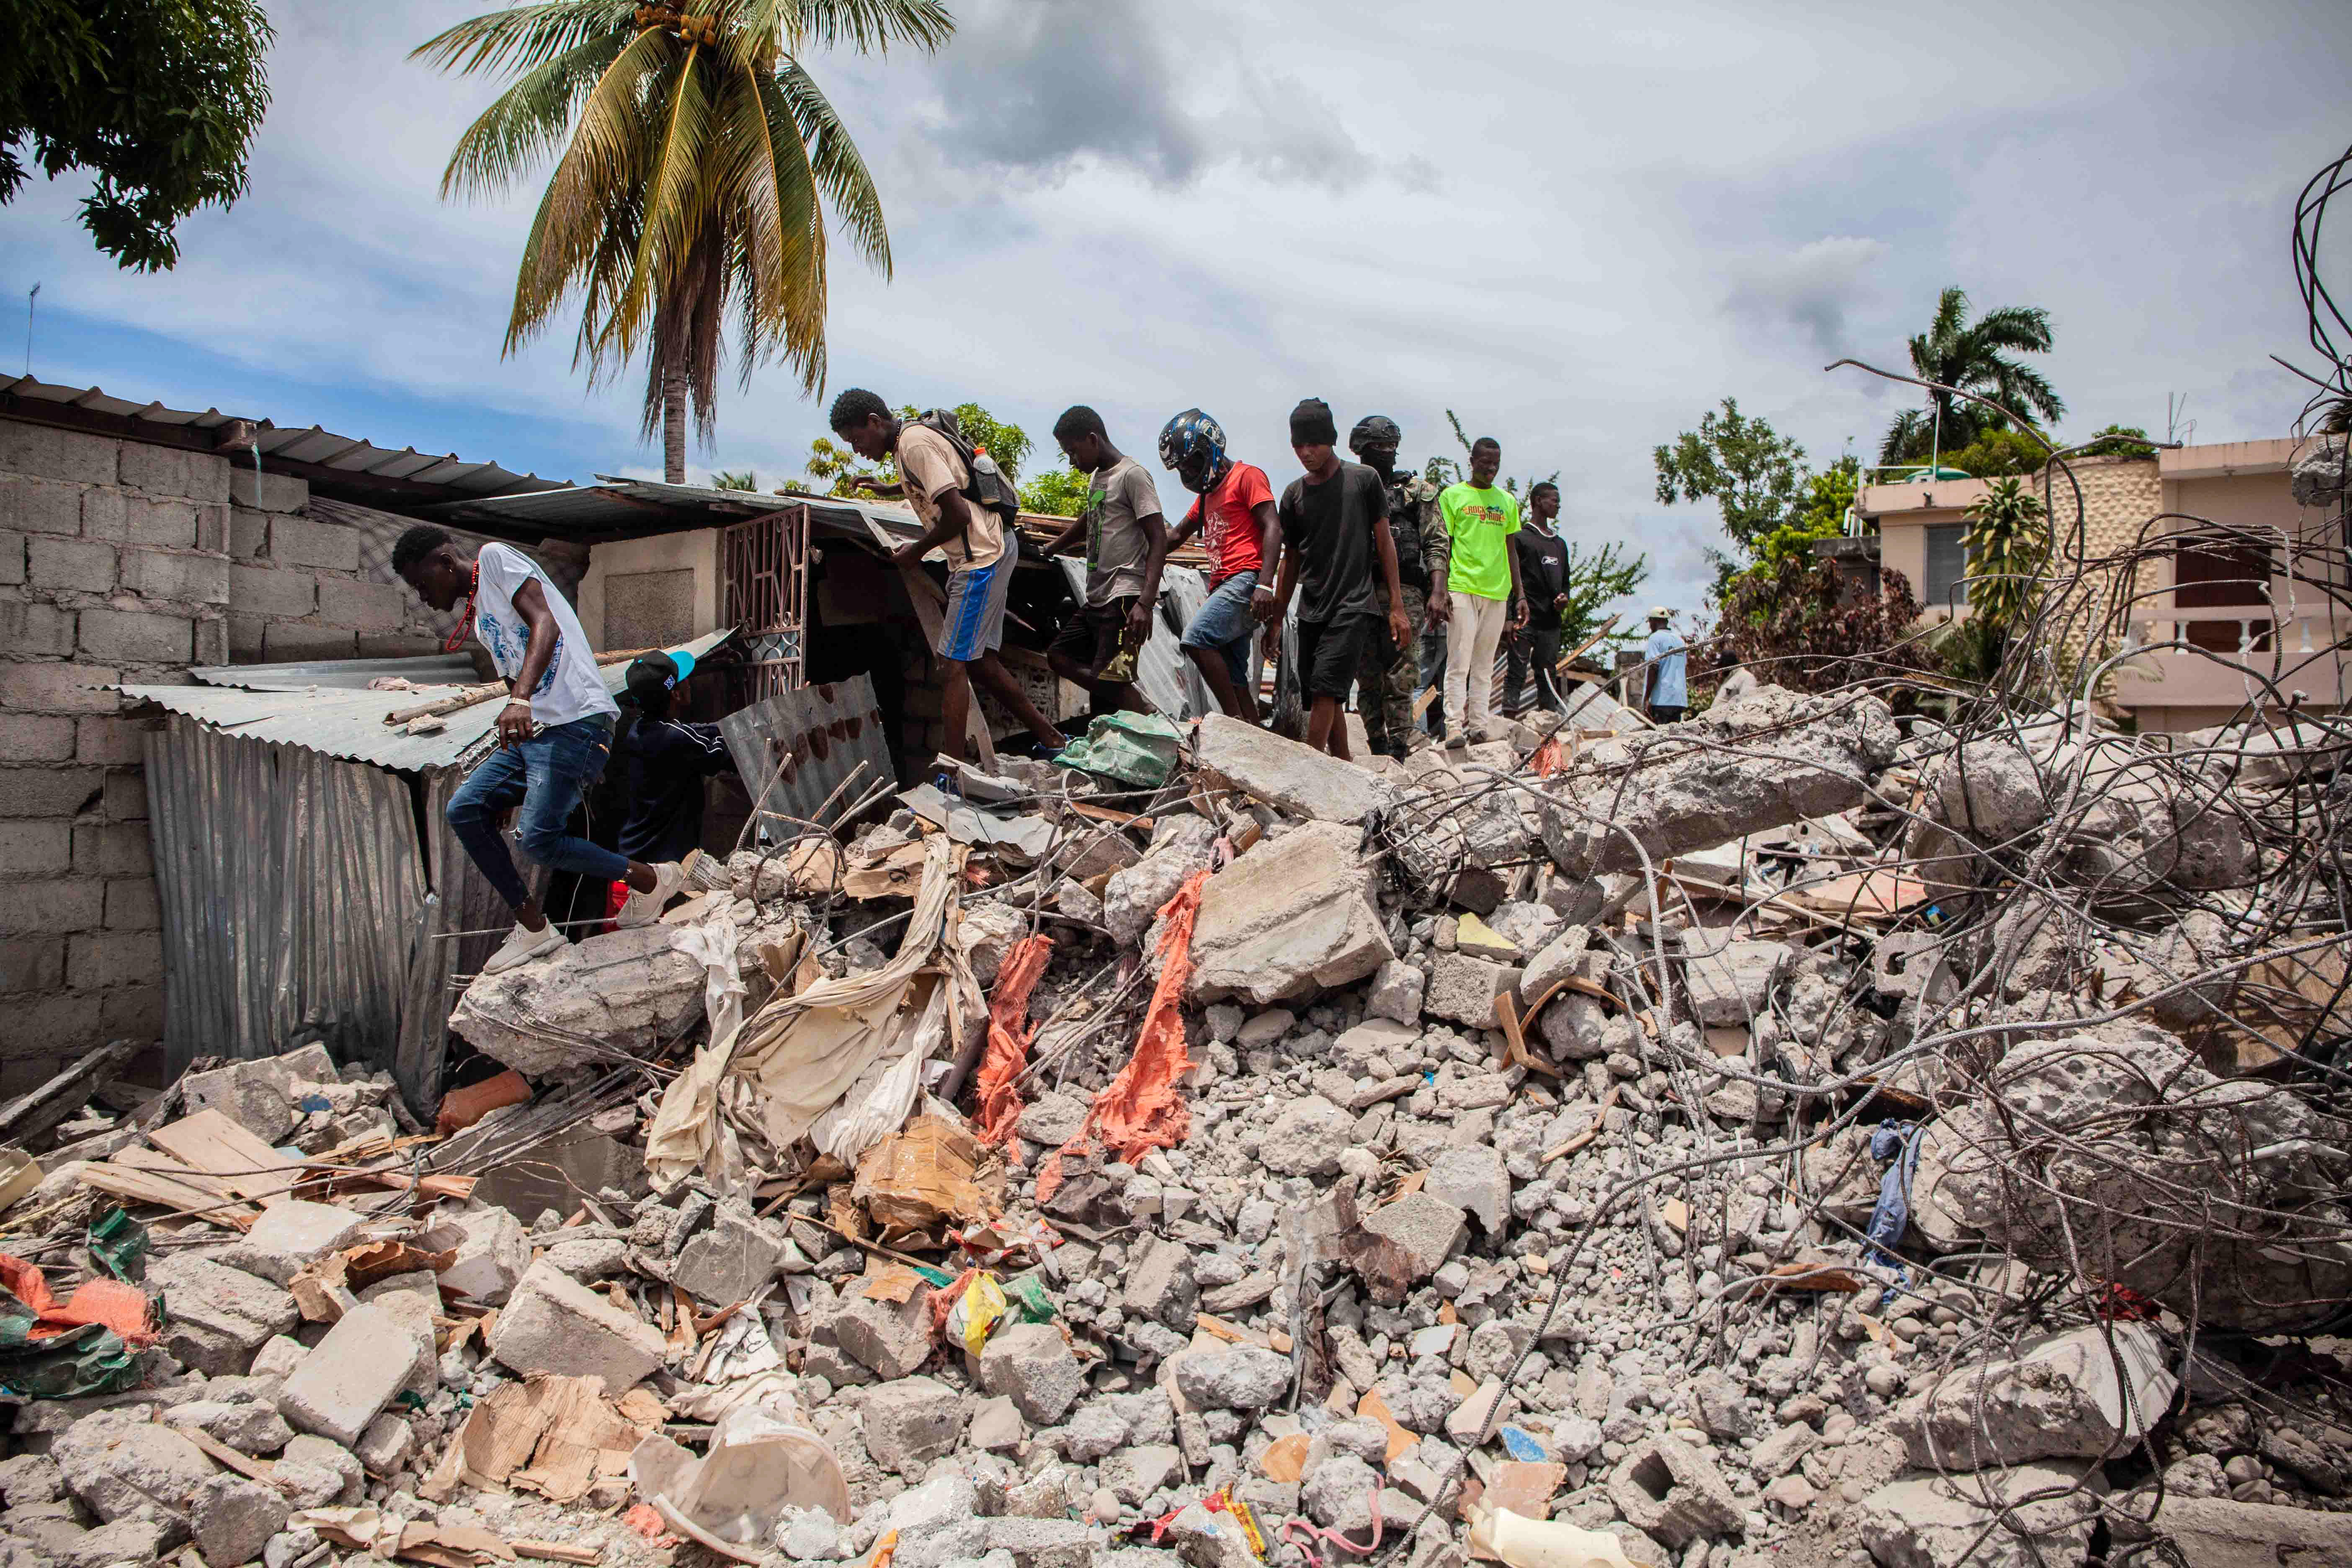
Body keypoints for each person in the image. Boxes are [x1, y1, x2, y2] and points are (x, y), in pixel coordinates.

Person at [391, 526, 681, 973]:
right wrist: (512, 783)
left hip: (578, 719)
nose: (422, 597)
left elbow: (546, 624)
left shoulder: (494, 560)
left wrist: (520, 699)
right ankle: (532, 927)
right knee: (467, 808)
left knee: (539, 840)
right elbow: (514, 675)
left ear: (446, 562)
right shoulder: (479, 616)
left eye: (422, 583)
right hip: (541, 732)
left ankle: (649, 879)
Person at [1266, 398, 1413, 760]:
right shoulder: (1294, 494)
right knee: (1325, 693)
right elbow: (1292, 560)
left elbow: (1385, 543)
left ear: (1330, 440)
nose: (1305, 453)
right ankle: (1344, 763)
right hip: (1312, 608)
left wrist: (1396, 605)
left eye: (1312, 444)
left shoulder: (1364, 481)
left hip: (1353, 604)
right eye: (1298, 446)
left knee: (1325, 689)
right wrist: (1276, 618)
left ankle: (1311, 767)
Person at [1039, 407, 1166, 717]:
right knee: (1059, 656)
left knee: (1108, 691)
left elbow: (1159, 539)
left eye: (1073, 451)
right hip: (1097, 597)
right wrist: (1052, 547)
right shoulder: (1100, 477)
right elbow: (1091, 519)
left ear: (1093, 439)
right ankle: (1127, 701)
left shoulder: (1133, 476)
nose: (1072, 461)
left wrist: (1145, 604)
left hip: (1124, 597)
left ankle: (1150, 718)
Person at [600, 651, 735, 931]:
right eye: (684, 680)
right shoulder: (675, 739)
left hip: (630, 868)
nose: (690, 684)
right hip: (658, 880)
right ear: (676, 694)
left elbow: (700, 731)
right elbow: (727, 753)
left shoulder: (640, 730)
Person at [1162, 409, 1280, 722]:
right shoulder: (1206, 496)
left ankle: (1234, 723)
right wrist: (1140, 542)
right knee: (1234, 674)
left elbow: (1273, 526)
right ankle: (1255, 739)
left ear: (1210, 449)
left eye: (1192, 463)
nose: (1188, 473)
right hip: (1224, 585)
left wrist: (1265, 585)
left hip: (1246, 581)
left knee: (1196, 638)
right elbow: (1175, 536)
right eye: (1182, 468)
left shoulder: (1247, 477)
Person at [1345, 415, 1447, 760]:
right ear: (1361, 450)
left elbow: (1436, 543)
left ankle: (1402, 748)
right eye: (1379, 447)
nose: (1387, 453)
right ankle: (1378, 750)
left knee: (1403, 673)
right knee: (1368, 676)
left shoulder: (1417, 491)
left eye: (1391, 447)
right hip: (1360, 593)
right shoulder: (1349, 489)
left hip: (1407, 593)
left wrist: (1438, 591)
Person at [1434, 437, 1525, 747]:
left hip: (1497, 592)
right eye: (1485, 463)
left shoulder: (1508, 502)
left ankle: (1478, 726)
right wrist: (1441, 588)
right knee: (1460, 661)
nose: (1490, 469)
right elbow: (1442, 544)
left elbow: (1512, 550)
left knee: (1485, 665)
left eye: (1496, 464)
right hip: (1461, 587)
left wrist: (1520, 596)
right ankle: (1454, 728)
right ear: (1472, 461)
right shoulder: (1452, 496)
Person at [1505, 481, 1571, 717]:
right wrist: (1509, 617)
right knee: (1516, 672)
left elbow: (1566, 583)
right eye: (1554, 500)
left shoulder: (1560, 545)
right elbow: (1510, 579)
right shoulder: (1521, 539)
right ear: (1538, 502)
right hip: (1525, 619)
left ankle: (1549, 723)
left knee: (1547, 672)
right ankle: (1508, 724)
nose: (1558, 505)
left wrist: (1564, 600)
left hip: (1551, 623)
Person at [1644, 606, 1689, 723]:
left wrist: (1646, 698)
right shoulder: (1680, 641)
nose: (1650, 626)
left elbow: (1654, 667)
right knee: (1674, 738)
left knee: (1661, 738)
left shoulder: (1655, 639)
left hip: (1662, 699)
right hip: (1679, 700)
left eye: (1650, 622)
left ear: (1654, 621)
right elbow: (1683, 666)